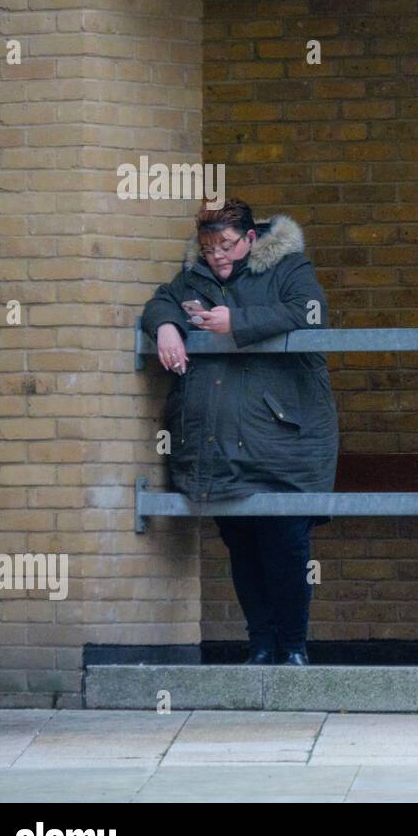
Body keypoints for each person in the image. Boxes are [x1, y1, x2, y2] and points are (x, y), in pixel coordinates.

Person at [140, 199, 339, 666]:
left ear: (251, 239)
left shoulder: (288, 268)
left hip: (283, 443)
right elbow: (159, 302)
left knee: (285, 546)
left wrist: (238, 324)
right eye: (209, 249)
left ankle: (292, 648)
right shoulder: (194, 277)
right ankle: (261, 646)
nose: (218, 258)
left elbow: (311, 311)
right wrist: (166, 327)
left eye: (227, 246)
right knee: (242, 546)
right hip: (218, 444)